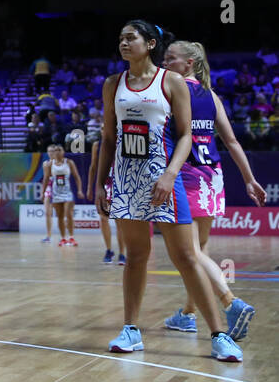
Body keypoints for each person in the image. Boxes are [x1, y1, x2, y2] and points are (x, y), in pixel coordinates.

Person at [94, 20, 242, 362]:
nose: (124, 43)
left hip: (164, 181)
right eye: (121, 38)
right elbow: (107, 137)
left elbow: (186, 135)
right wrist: (102, 183)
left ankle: (219, 335)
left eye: (131, 37)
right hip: (127, 180)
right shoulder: (112, 85)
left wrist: (169, 174)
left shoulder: (171, 81)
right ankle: (131, 330)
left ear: (150, 44)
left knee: (186, 258)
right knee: (135, 257)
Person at [160, 41, 263, 340]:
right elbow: (231, 142)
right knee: (199, 250)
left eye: (171, 58)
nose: (165, 63)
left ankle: (230, 302)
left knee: (190, 252)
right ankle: (189, 314)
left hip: (188, 175)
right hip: (212, 177)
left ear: (189, 63)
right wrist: (249, 178)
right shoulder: (213, 96)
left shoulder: (171, 91)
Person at [89, 137, 126, 264]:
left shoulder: (121, 140)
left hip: (119, 185)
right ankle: (109, 250)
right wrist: (90, 188)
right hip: (105, 185)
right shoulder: (97, 145)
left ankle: (122, 253)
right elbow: (93, 166)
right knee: (103, 218)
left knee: (119, 221)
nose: (103, 130)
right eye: (102, 128)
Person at [47, 143, 82, 246]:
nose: (57, 152)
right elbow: (46, 179)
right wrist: (44, 192)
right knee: (60, 217)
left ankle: (71, 237)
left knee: (68, 214)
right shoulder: (50, 164)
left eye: (60, 150)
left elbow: (77, 177)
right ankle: (63, 238)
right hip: (56, 193)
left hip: (67, 193)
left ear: (63, 152)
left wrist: (79, 190)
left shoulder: (69, 162)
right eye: (56, 150)